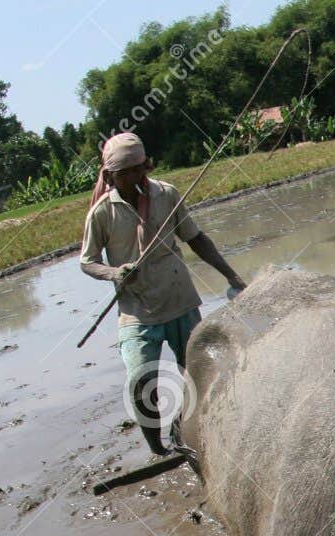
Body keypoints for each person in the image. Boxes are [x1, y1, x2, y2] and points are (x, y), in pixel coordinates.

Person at [80, 132, 246, 455]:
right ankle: (158, 449)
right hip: (138, 309)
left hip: (179, 299)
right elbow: (87, 262)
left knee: (201, 372)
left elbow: (195, 238)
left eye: (139, 169)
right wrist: (115, 273)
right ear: (111, 175)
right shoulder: (102, 213)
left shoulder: (166, 195)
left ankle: (197, 430)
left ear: (147, 165)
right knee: (141, 382)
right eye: (125, 173)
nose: (134, 177)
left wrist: (230, 274)